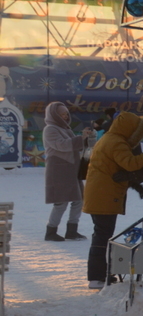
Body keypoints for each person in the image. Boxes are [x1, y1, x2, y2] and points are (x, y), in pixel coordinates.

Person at [83, 112, 143, 288]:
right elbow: (130, 163)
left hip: (99, 193)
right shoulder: (117, 142)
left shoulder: (109, 138)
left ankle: (100, 274)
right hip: (104, 194)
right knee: (102, 236)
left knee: (101, 234)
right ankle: (97, 277)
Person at [42, 102, 88, 241]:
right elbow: (62, 145)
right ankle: (51, 231)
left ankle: (72, 230)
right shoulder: (50, 129)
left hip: (72, 169)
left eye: (66, 114)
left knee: (78, 200)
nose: (65, 116)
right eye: (61, 114)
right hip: (59, 170)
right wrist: (81, 139)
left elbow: (74, 146)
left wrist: (86, 139)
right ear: (54, 115)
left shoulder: (66, 129)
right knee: (61, 202)